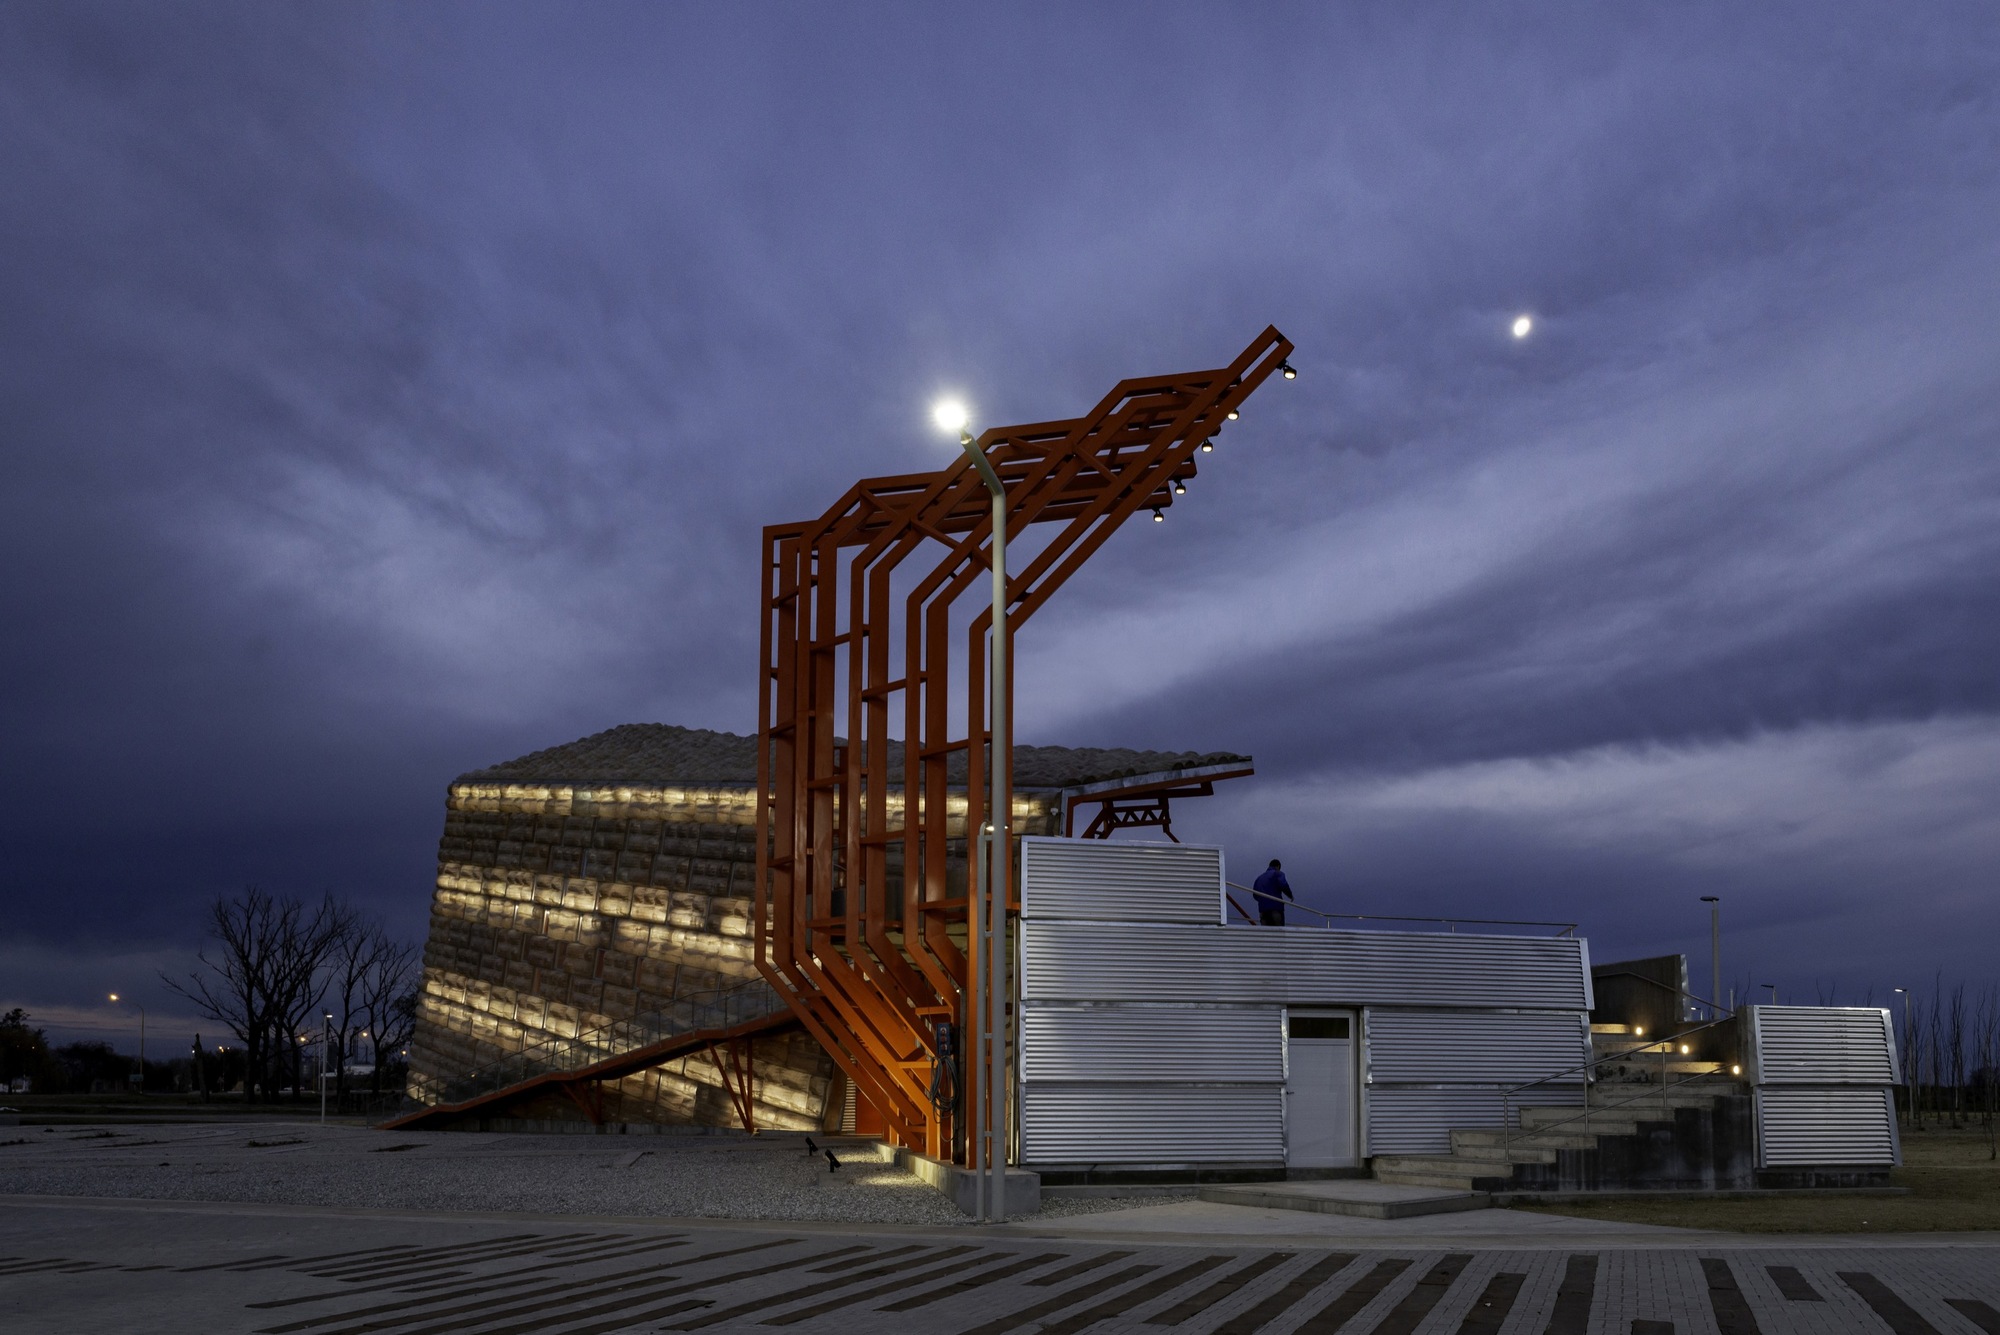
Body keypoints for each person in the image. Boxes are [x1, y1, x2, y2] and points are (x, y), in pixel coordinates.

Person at [1253, 859, 1293, 926]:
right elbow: (1283, 885)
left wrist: (1264, 900)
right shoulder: (1277, 873)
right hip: (1276, 909)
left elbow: (1255, 895)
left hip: (1263, 912)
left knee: (1266, 932)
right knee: (1278, 931)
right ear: (1278, 866)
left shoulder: (1259, 878)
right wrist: (1290, 896)